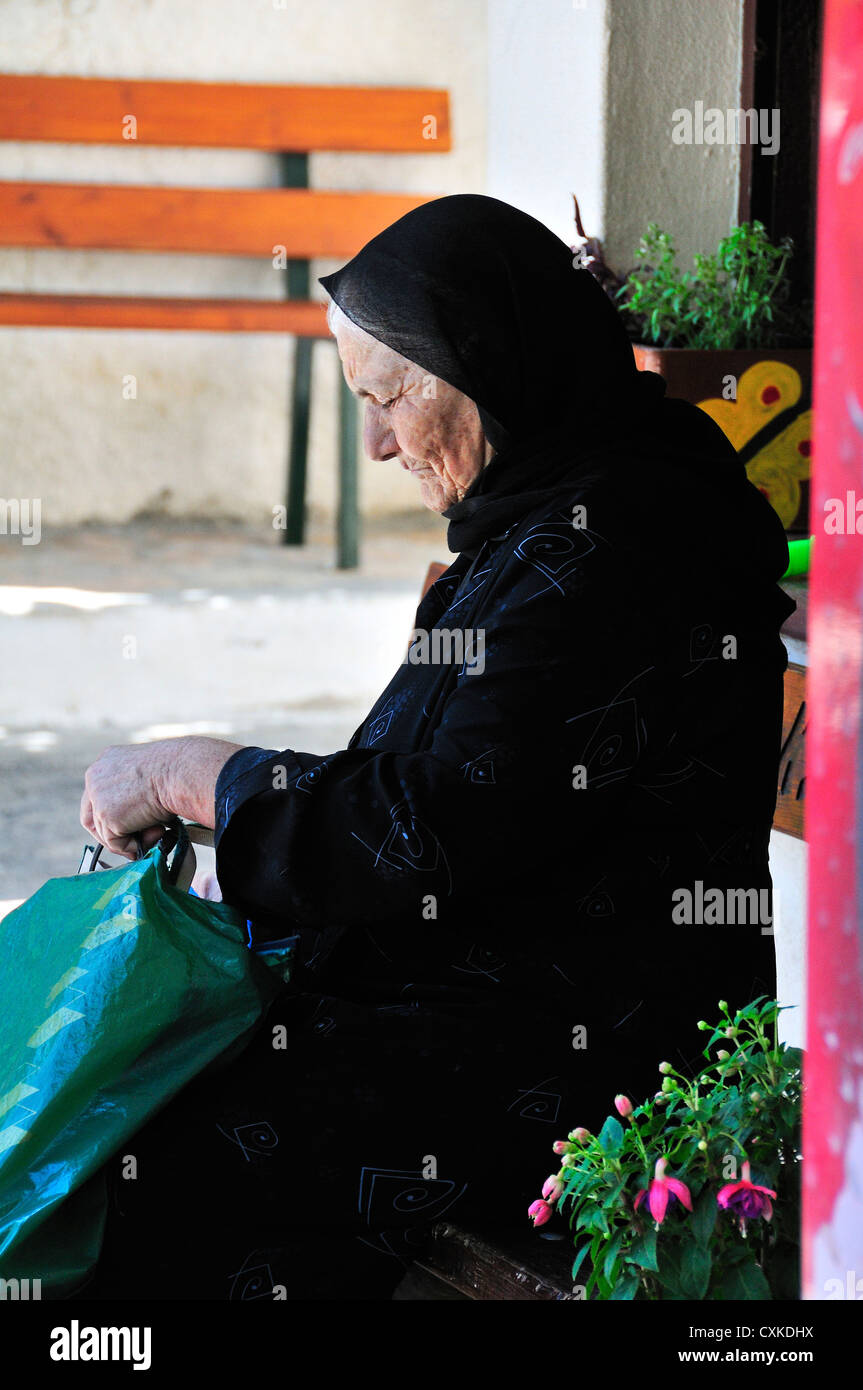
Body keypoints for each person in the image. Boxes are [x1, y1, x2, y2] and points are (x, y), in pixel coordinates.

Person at [79, 195, 792, 1300]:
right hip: (490, 1001)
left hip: (584, 1062)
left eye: (390, 396)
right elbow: (438, 800)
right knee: (128, 1084)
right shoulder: (555, 508)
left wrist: (199, 776)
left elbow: (432, 830)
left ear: (494, 367)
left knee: (143, 1158)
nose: (372, 443)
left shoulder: (615, 548)